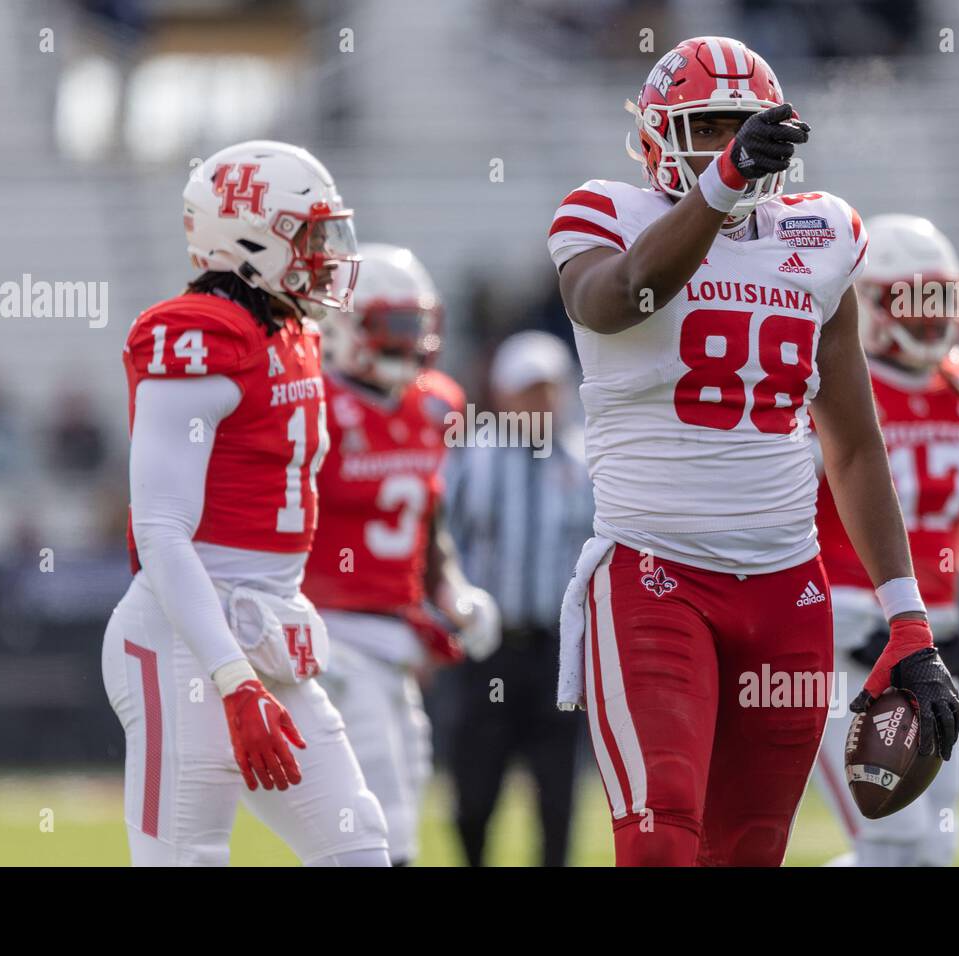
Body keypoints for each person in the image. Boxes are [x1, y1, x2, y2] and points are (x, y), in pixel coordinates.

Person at [548, 35, 959, 867]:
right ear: (657, 136)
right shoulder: (604, 214)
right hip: (653, 578)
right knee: (662, 839)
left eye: (746, 129)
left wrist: (907, 618)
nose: (731, 144)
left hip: (788, 593)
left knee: (747, 852)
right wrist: (721, 184)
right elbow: (618, 298)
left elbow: (850, 441)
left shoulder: (821, 235)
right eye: (709, 127)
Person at [101, 140, 390, 866]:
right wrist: (232, 683)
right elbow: (162, 531)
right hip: (184, 641)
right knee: (185, 859)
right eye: (310, 234)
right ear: (251, 237)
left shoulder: (289, 330)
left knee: (357, 845)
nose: (326, 254)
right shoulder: (199, 334)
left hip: (264, 632)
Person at [810, 214, 959, 866]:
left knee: (935, 845)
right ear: (869, 301)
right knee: (891, 838)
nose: (931, 315)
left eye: (942, 297)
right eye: (913, 298)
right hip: (841, 643)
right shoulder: (834, 383)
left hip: (926, 647)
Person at [306, 243, 501, 866]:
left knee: (407, 792)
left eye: (416, 323)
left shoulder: (435, 401)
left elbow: (429, 522)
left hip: (397, 635)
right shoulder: (313, 404)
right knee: (373, 808)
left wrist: (453, 593)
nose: (409, 339)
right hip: (332, 631)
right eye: (393, 324)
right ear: (346, 324)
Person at [444, 330, 596, 867]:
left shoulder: (586, 463)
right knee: (474, 793)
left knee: (558, 799)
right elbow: (440, 543)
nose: (542, 401)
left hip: (557, 653)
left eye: (549, 389)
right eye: (529, 390)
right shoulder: (471, 458)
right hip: (489, 648)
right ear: (504, 394)